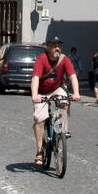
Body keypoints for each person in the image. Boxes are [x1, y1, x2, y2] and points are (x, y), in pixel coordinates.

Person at [31, 36, 80, 166]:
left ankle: (60, 129)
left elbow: (72, 76)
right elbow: (35, 78)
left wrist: (76, 93)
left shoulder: (64, 59)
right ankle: (39, 152)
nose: (57, 48)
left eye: (59, 45)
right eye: (54, 45)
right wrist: (35, 95)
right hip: (42, 91)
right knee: (39, 119)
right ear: (47, 47)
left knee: (64, 102)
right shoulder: (42, 59)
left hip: (57, 88)